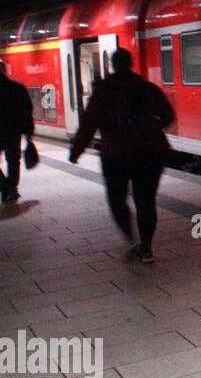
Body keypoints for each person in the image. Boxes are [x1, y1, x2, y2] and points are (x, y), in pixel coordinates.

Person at [69, 48, 175, 263]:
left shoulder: (103, 92)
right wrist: (151, 128)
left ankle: (131, 239)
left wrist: (76, 151)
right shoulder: (148, 88)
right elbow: (168, 116)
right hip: (150, 152)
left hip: (116, 153)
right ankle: (146, 248)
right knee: (146, 201)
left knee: (117, 199)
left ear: (113, 65)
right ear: (130, 63)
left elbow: (89, 124)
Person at [0, 59, 35, 203]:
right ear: (4, 70)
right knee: (14, 161)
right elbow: (27, 110)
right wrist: (29, 131)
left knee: (14, 161)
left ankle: (6, 187)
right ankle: (11, 188)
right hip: (13, 131)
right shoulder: (18, 88)